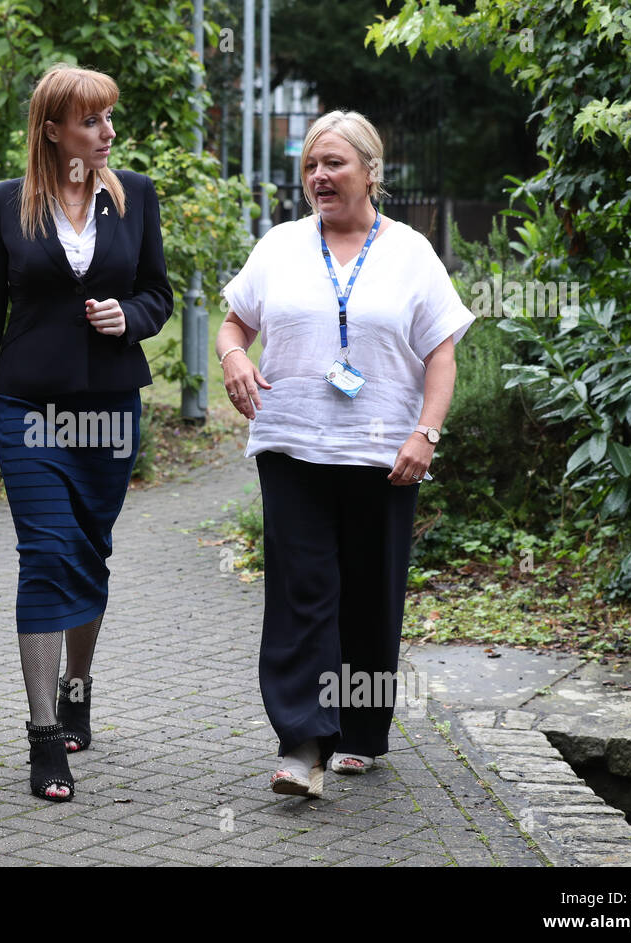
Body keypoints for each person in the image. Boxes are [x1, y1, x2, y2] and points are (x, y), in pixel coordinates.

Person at [216, 110, 473, 797]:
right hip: (292, 442)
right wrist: (235, 355)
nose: (319, 177)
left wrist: (427, 432)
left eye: (334, 164)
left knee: (370, 590)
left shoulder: (411, 252)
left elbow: (441, 354)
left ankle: (360, 728)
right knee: (302, 592)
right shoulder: (279, 246)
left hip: (384, 450)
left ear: (370, 171)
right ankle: (302, 743)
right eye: (309, 167)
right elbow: (234, 320)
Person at [0, 65, 173, 802]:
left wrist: (131, 317)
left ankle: (79, 685)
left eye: (111, 118)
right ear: (53, 130)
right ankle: (45, 734)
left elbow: (158, 293)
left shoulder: (135, 197)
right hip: (30, 408)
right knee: (45, 556)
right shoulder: (3, 205)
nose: (107, 133)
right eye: (91, 121)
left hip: (111, 408)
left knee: (90, 555)